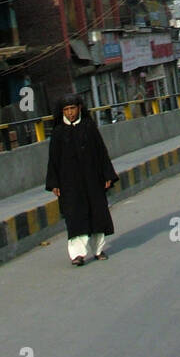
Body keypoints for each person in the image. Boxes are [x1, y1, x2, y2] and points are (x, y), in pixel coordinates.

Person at [45, 94, 118, 266]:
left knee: (97, 214)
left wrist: (107, 174)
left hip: (92, 179)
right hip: (69, 183)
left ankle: (98, 250)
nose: (70, 113)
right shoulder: (58, 132)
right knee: (74, 217)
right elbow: (53, 159)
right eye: (66, 109)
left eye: (73, 108)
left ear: (79, 108)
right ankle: (77, 255)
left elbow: (101, 152)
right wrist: (54, 183)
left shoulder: (89, 127)